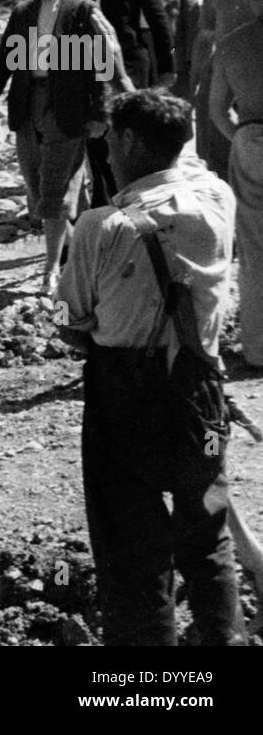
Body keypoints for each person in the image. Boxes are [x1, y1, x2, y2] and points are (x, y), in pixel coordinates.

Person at [56, 90, 243, 646]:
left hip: (125, 394)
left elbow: (70, 319)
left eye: (113, 139)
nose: (107, 151)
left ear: (133, 141)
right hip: (200, 392)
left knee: (129, 547)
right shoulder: (217, 197)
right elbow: (187, 170)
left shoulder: (99, 226)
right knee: (206, 531)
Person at [0, 0, 118, 296]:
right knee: (39, 193)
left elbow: (99, 66)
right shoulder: (23, 11)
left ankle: (51, 271)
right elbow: (4, 61)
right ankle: (92, 252)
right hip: (27, 107)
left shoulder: (82, 10)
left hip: (65, 110)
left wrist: (99, 113)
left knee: (53, 192)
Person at [65, 0, 174, 209]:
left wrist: (166, 68)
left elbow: (156, 16)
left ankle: (138, 203)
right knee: (96, 141)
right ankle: (105, 204)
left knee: (129, 136)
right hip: (87, 69)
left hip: (127, 64)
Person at [209, 0, 263, 367]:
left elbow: (216, 111)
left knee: (253, 248)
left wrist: (242, 138)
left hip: (251, 137)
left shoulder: (232, 44)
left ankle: (260, 348)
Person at [192, 0, 261, 180]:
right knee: (218, 159)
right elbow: (205, 36)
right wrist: (195, 80)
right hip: (223, 78)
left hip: (256, 81)